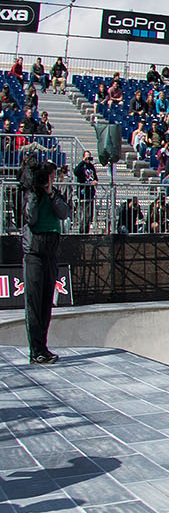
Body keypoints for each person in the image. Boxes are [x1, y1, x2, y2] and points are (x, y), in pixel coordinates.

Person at [18, 155, 71, 365]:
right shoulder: (30, 194)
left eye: (52, 177)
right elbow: (31, 218)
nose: (50, 180)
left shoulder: (54, 194)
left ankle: (43, 347)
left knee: (46, 303)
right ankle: (35, 350)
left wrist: (50, 193)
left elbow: (64, 213)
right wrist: (34, 192)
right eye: (48, 177)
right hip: (34, 252)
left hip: (50, 252)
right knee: (34, 303)